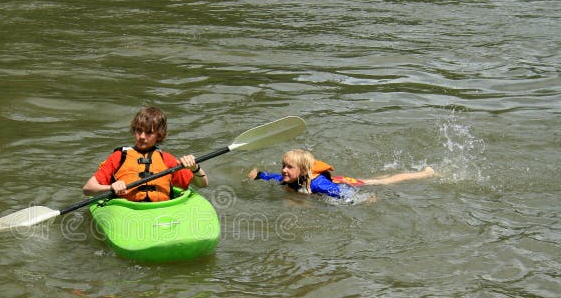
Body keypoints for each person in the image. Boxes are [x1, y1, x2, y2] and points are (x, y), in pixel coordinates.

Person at [83, 106, 208, 201]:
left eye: (148, 132)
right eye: (138, 130)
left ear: (159, 135)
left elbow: (202, 184)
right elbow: (88, 189)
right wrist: (110, 188)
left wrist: (194, 168)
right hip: (126, 210)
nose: (142, 137)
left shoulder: (166, 159)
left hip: (162, 210)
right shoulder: (119, 157)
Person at [248, 149, 434, 200]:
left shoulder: (318, 184)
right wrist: (259, 175)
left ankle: (424, 173)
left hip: (347, 184)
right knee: (377, 178)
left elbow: (340, 192)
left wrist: (363, 198)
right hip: (340, 181)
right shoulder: (286, 178)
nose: (284, 170)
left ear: (304, 171)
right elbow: (272, 177)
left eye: (289, 167)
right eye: (283, 166)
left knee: (383, 182)